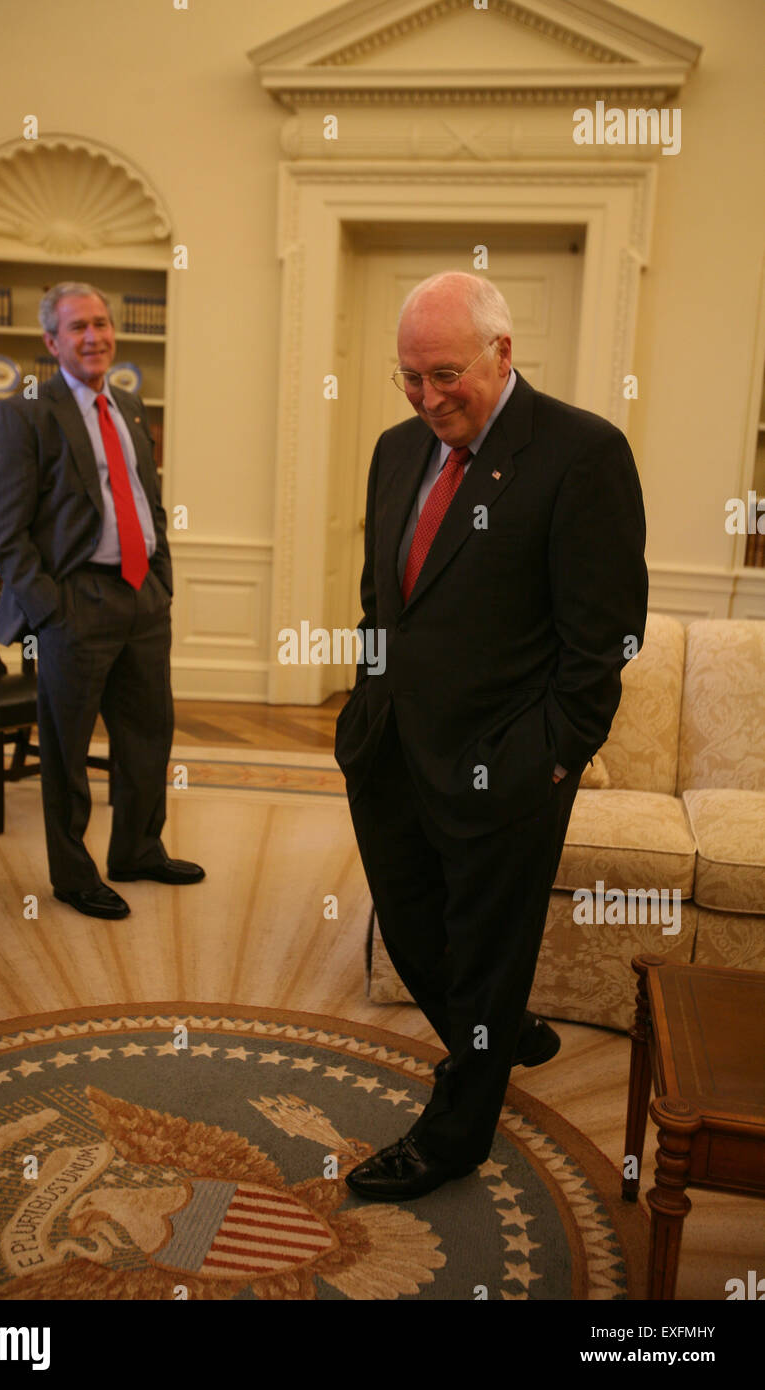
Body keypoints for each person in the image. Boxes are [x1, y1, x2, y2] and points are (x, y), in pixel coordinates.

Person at [336, 271, 647, 1200]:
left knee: (485, 945)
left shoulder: (582, 454)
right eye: (409, 378)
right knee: (412, 925)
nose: (428, 398)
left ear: (501, 354)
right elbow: (380, 596)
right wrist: (363, 709)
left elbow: (601, 643)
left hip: (505, 763)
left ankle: (457, 1130)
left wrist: (547, 759)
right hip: (389, 745)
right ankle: (505, 1031)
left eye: (444, 374)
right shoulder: (396, 450)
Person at [0, 281, 204, 920]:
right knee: (67, 749)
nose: (93, 336)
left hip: (140, 598)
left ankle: (137, 849)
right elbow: (6, 530)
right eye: (77, 327)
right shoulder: (22, 413)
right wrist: (51, 609)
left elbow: (146, 502)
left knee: (148, 736)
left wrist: (161, 581)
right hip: (74, 602)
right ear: (52, 342)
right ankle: (73, 876)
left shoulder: (131, 405)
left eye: (101, 323)